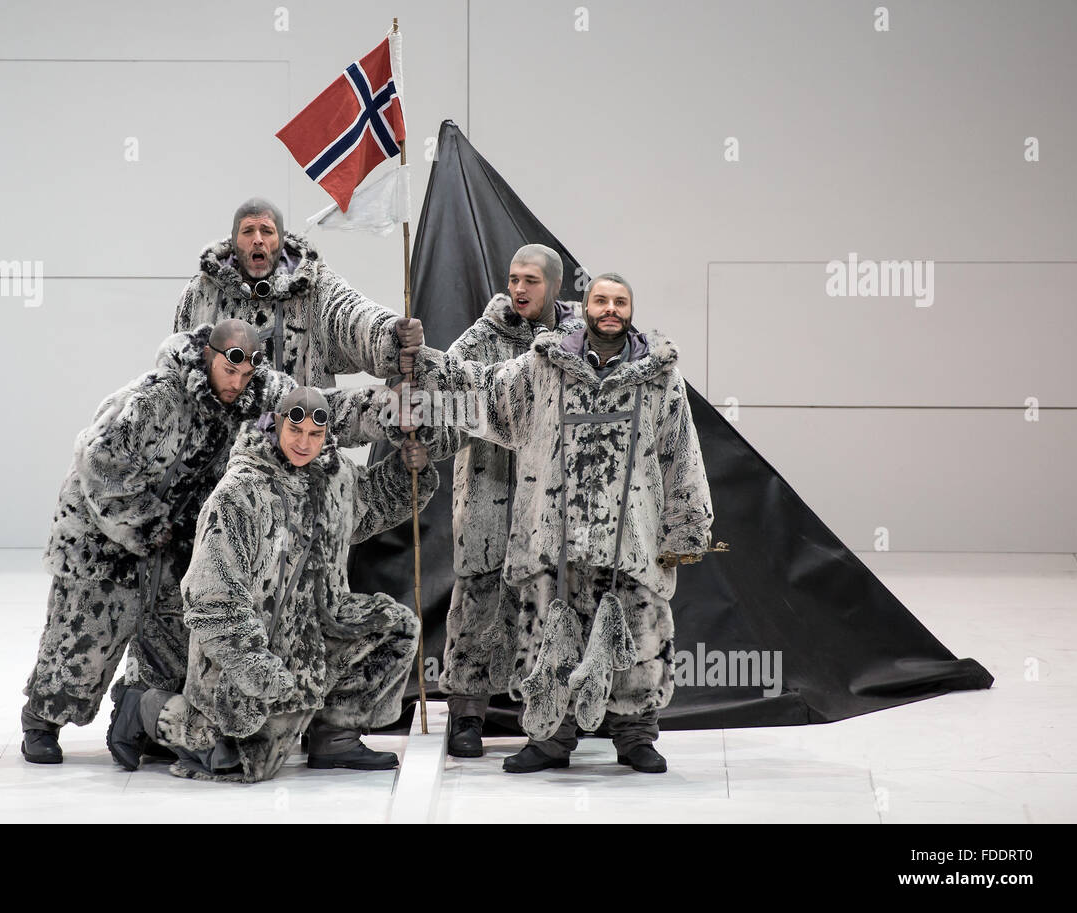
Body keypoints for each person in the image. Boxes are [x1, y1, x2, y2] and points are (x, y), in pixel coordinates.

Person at [21, 320, 398, 764]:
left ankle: (140, 718)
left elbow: (323, 410)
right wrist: (146, 525)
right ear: (209, 356)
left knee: (170, 643)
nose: (236, 383)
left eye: (246, 374)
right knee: (83, 638)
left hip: (177, 543)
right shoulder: (156, 396)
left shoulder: (262, 397)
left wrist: (391, 410)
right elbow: (96, 458)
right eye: (228, 370)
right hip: (104, 538)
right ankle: (41, 721)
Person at [400, 274, 713, 773]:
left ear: (631, 310)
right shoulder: (542, 367)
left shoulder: (659, 377)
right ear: (584, 307)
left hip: (631, 537)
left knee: (638, 639)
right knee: (549, 637)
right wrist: (429, 365)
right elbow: (486, 393)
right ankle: (549, 738)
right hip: (552, 538)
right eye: (601, 300)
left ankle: (635, 737)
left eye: (620, 301)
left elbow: (682, 452)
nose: (610, 309)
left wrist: (687, 524)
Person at [108, 388, 440, 783]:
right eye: (295, 430)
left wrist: (406, 471)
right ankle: (142, 707)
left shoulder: (334, 476)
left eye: (315, 435)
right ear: (277, 424)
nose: (304, 443)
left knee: (395, 627)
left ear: (327, 436)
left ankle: (335, 736)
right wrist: (256, 668)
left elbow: (370, 505)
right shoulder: (239, 492)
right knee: (247, 763)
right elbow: (210, 599)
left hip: (318, 635)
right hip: (248, 653)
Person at [437, 245, 583, 758]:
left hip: (548, 499)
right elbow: (445, 391)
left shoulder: (575, 342)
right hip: (486, 489)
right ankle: (467, 715)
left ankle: (547, 721)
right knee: (478, 599)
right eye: (514, 279)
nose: (520, 289)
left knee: (547, 604)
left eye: (532, 281)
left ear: (555, 287)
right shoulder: (481, 338)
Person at [174, 197, 423, 386]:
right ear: (233, 240)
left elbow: (350, 313)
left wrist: (390, 334)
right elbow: (179, 369)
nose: (257, 239)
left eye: (267, 231)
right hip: (223, 451)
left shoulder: (314, 286)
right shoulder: (201, 293)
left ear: (282, 240)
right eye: (248, 231)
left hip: (301, 444)